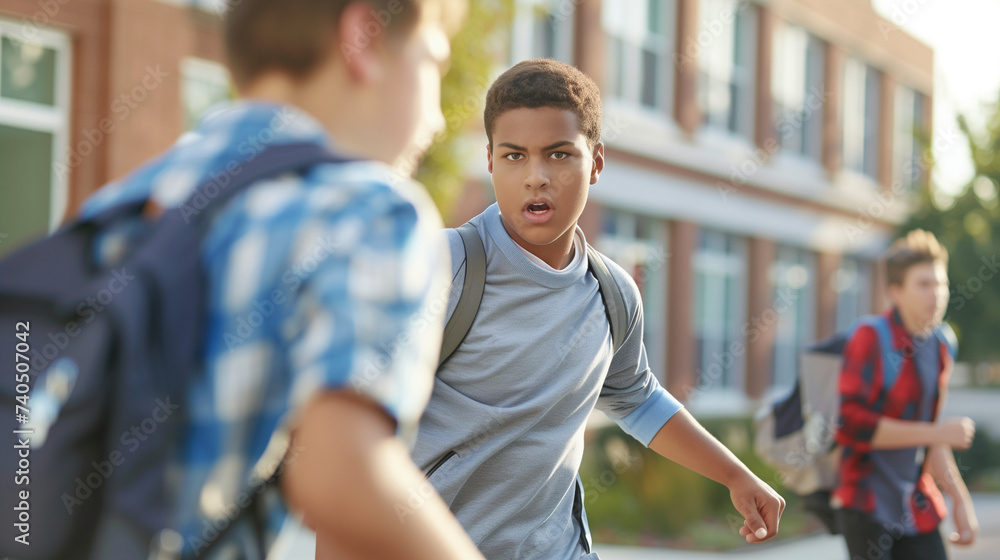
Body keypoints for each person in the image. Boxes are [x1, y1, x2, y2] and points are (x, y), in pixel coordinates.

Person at [77, 1, 485, 559]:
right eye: (432, 61)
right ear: (363, 39)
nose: (438, 118)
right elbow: (341, 475)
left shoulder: (125, 201)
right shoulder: (370, 210)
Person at [402, 58, 785, 560]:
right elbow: (352, 430)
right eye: (515, 156)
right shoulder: (443, 266)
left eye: (559, 155)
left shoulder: (611, 292)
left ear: (597, 162)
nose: (536, 177)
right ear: (491, 161)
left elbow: (637, 399)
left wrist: (735, 474)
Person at [834, 229, 979, 559]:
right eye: (924, 284)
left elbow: (929, 431)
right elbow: (851, 425)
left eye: (941, 284)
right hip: (865, 502)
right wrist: (938, 432)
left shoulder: (943, 344)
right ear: (895, 292)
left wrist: (960, 498)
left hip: (915, 502)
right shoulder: (870, 336)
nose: (937, 294)